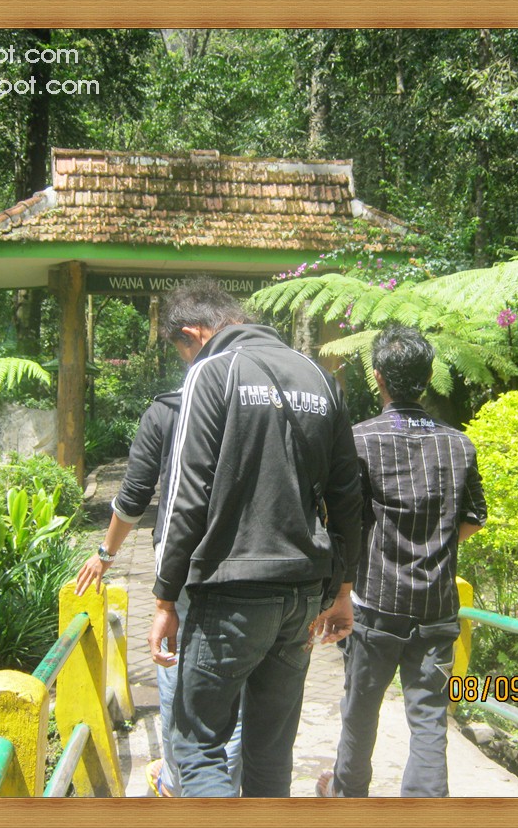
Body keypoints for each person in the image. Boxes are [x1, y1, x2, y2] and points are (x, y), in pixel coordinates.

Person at [147, 279, 363, 798]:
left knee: (198, 745)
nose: (184, 362)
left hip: (232, 593)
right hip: (300, 597)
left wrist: (164, 597)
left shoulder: (211, 372)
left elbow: (185, 495)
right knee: (269, 755)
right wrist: (342, 592)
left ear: (193, 333)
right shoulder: (318, 377)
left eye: (181, 350)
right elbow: (349, 497)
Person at [317, 324, 487, 798]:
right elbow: (474, 517)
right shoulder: (459, 443)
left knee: (360, 709)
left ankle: (348, 796)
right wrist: (435, 545)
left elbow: (343, 521)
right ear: (428, 376)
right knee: (429, 716)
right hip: (437, 604)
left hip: (376, 602)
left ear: (378, 378)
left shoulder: (360, 440)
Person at [74, 371, 243, 796]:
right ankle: (229, 785)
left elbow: (133, 497)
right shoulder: (253, 406)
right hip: (248, 561)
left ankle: (174, 780)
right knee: (236, 683)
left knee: (173, 671)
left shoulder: (166, 410)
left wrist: (106, 554)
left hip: (182, 564)